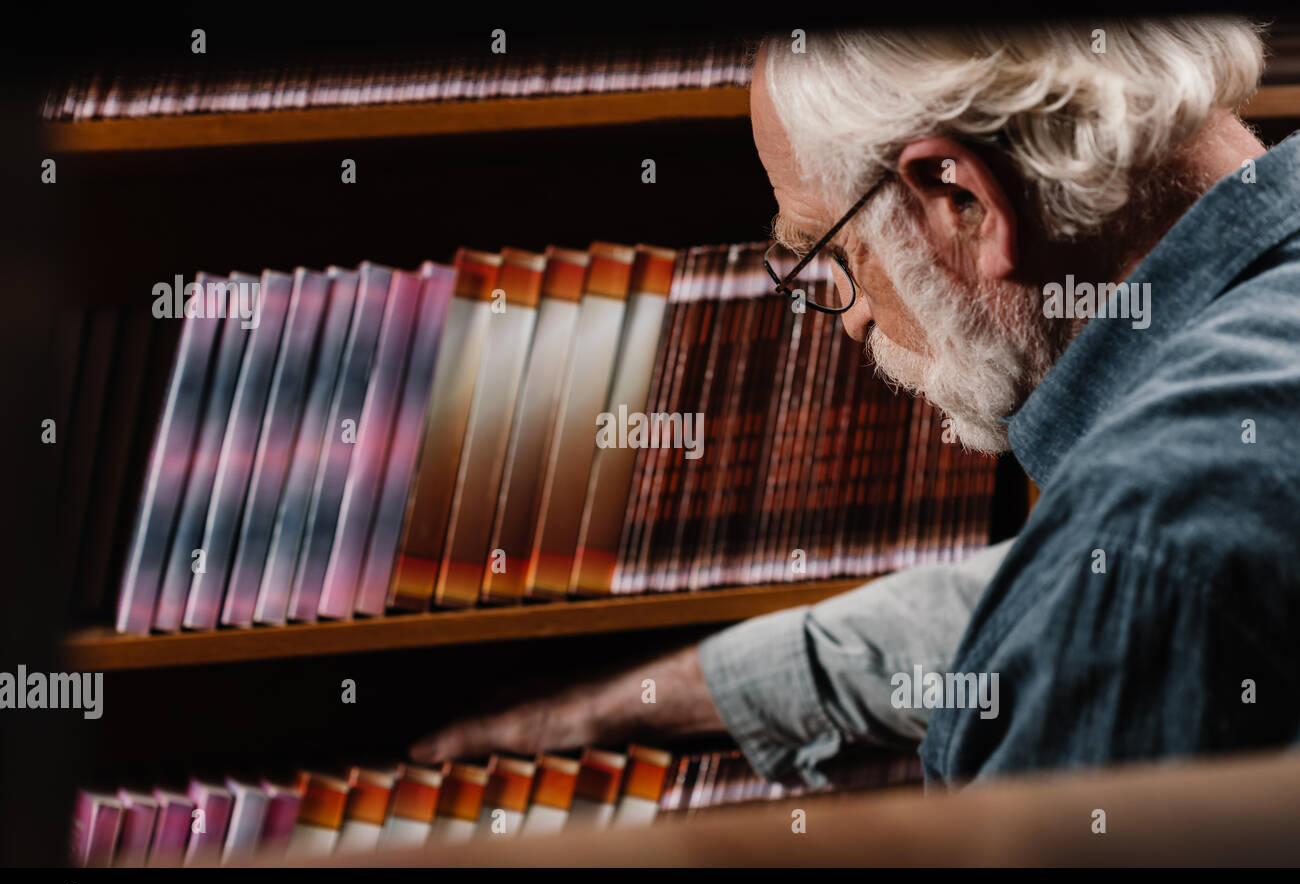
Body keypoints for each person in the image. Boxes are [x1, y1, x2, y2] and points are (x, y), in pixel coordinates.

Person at [412, 17, 1300, 786]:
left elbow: (1123, 586)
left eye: (834, 250)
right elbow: (1071, 598)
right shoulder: (1157, 536)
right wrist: (649, 696)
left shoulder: (1142, 553)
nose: (849, 317)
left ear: (959, 198)